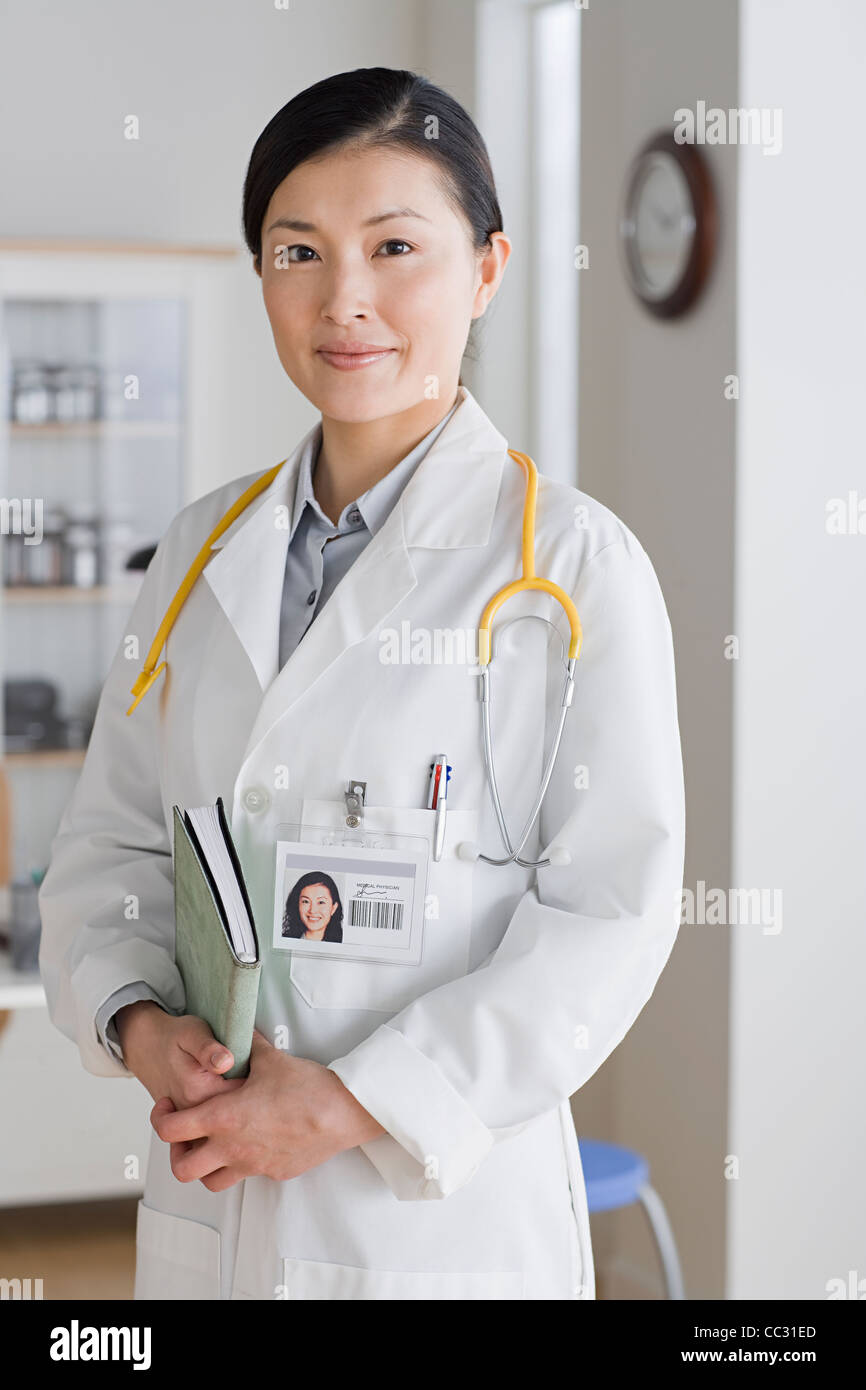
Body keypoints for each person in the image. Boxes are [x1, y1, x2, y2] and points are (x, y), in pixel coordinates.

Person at [38, 66, 685, 1301]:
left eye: (395, 246)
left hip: (433, 1230)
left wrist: (349, 1103)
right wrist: (135, 1023)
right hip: (211, 1204)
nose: (345, 300)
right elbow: (111, 845)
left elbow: (610, 913)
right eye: (297, 252)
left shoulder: (571, 569)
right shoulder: (195, 554)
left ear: (486, 268)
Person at [283, 872, 344, 943]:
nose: (312, 910)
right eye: (306, 901)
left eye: (321, 902)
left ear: (333, 908)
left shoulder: (345, 943)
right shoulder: (284, 941)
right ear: (297, 905)